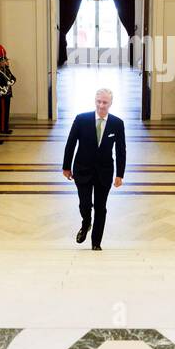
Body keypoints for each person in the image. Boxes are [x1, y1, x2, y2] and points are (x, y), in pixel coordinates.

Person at [62, 88, 127, 250]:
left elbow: (121, 150)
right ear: (95, 101)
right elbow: (70, 143)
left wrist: (120, 174)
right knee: (84, 203)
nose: (101, 105)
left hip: (104, 172)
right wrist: (66, 166)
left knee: (100, 207)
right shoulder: (81, 119)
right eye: (99, 101)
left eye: (105, 102)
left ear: (111, 103)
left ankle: (96, 242)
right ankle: (86, 223)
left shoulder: (117, 124)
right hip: (82, 169)